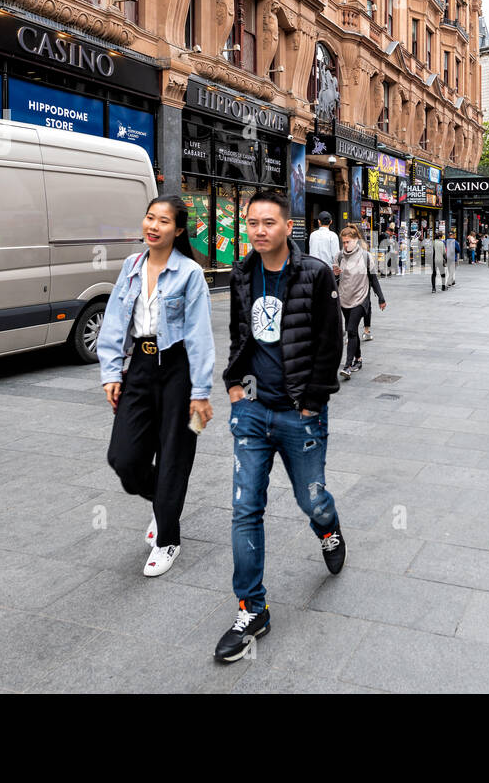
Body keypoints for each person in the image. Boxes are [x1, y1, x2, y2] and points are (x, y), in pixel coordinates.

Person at [217, 191, 345, 662]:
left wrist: (312, 402)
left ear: (288, 227)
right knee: (245, 508)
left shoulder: (313, 274)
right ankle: (253, 608)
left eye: (268, 222)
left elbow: (332, 341)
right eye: (251, 222)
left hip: (299, 412)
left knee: (311, 497)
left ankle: (328, 529)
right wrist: (234, 386)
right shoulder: (241, 272)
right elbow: (238, 332)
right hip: (252, 409)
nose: (258, 230)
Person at [98, 196, 215, 579]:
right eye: (150, 218)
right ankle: (161, 500)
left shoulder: (189, 274)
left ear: (178, 230)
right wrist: (112, 372)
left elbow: (199, 335)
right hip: (142, 367)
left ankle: (167, 538)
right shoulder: (132, 267)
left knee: (173, 458)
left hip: (178, 368)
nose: (153, 226)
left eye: (163, 221)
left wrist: (201, 391)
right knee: (124, 458)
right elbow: (115, 321)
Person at [335, 224, 386, 380]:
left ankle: (347, 366)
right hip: (344, 298)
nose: (345, 245)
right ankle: (358, 359)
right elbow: (336, 281)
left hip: (361, 298)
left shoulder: (365, 256)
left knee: (350, 330)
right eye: (343, 242)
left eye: (348, 241)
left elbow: (373, 279)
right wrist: (335, 275)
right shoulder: (338, 257)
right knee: (353, 331)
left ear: (356, 240)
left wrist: (381, 298)